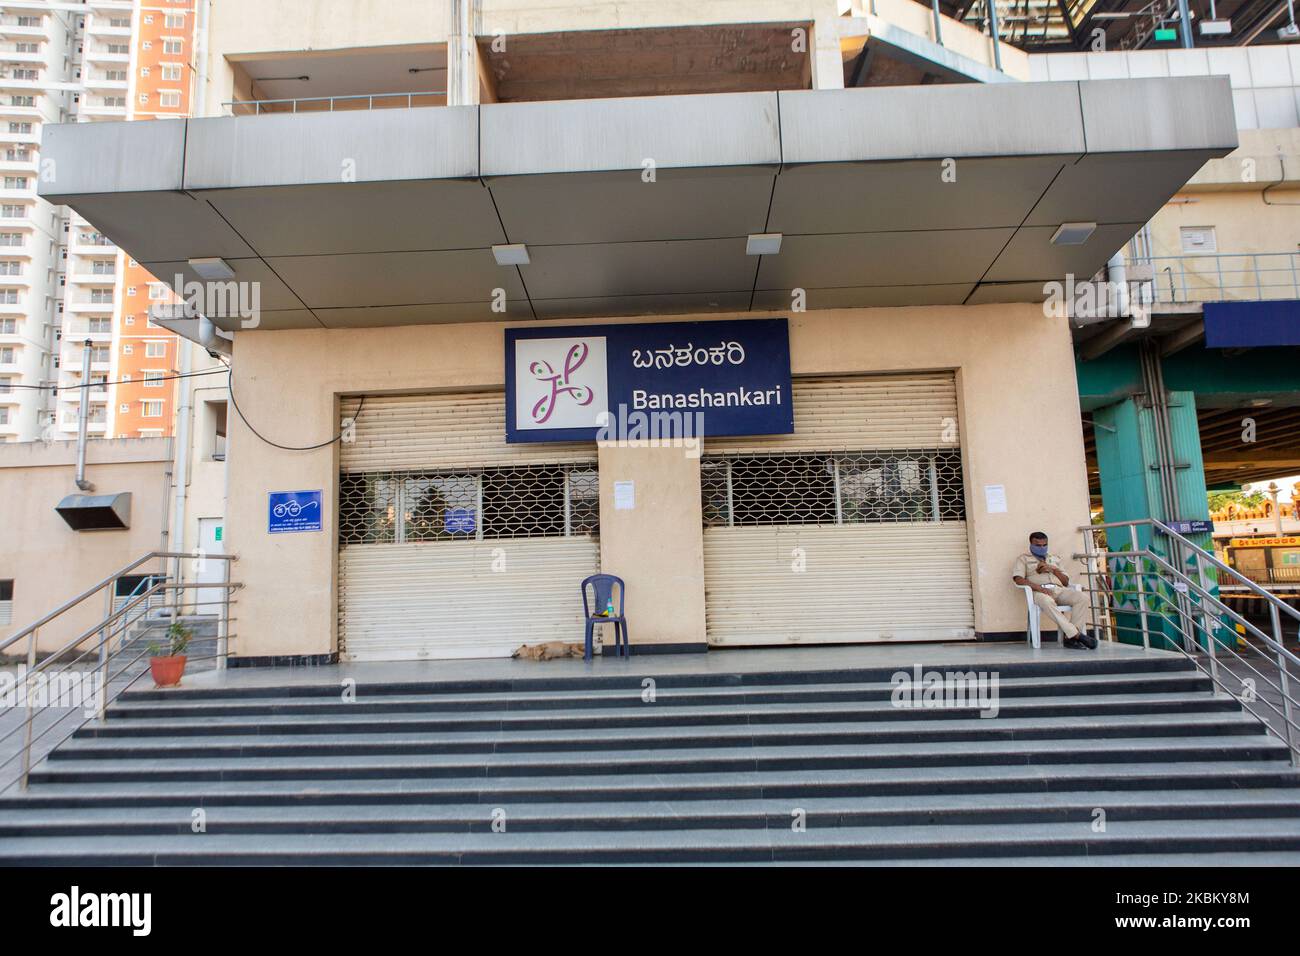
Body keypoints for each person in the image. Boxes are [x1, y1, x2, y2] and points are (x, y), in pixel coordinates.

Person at [1012, 531, 1095, 649]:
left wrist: (1053, 570)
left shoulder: (1054, 558)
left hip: (1058, 590)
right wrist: (1038, 588)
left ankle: (1071, 637)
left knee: (1082, 598)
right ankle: (1075, 635)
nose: (1041, 548)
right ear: (1031, 544)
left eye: (1044, 545)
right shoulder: (1023, 559)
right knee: (1047, 601)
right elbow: (1018, 579)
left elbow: (1065, 582)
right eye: (1038, 545)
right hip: (1038, 592)